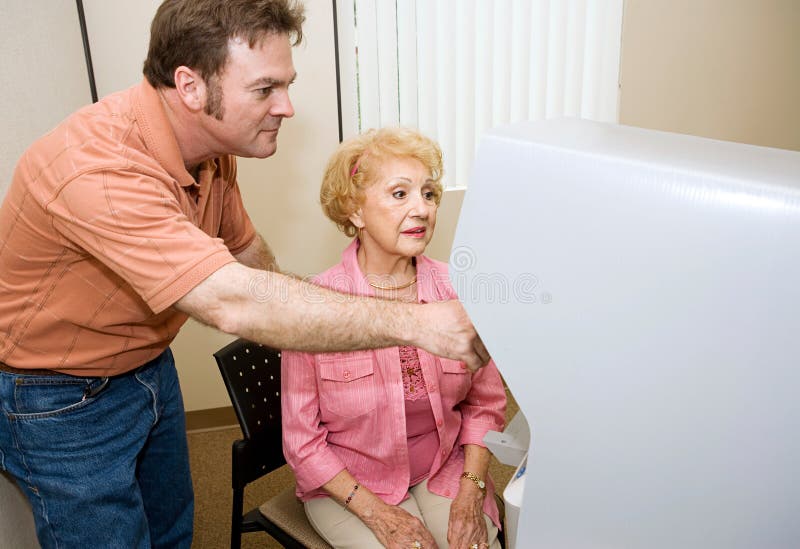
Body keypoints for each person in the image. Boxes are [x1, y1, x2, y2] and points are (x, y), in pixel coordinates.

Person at [0, 2, 489, 548]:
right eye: (264, 90)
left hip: (147, 365)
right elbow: (233, 302)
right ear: (190, 86)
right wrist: (419, 324)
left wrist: (313, 311)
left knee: (170, 530)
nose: (287, 107)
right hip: (59, 394)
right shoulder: (98, 170)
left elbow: (249, 256)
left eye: (287, 85)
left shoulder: (211, 154)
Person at [282, 127, 507, 549]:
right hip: (351, 488)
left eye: (429, 193)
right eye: (400, 194)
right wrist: (380, 515)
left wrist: (471, 493)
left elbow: (486, 405)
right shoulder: (313, 309)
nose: (422, 209)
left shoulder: (458, 292)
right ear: (354, 211)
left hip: (442, 468)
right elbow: (302, 443)